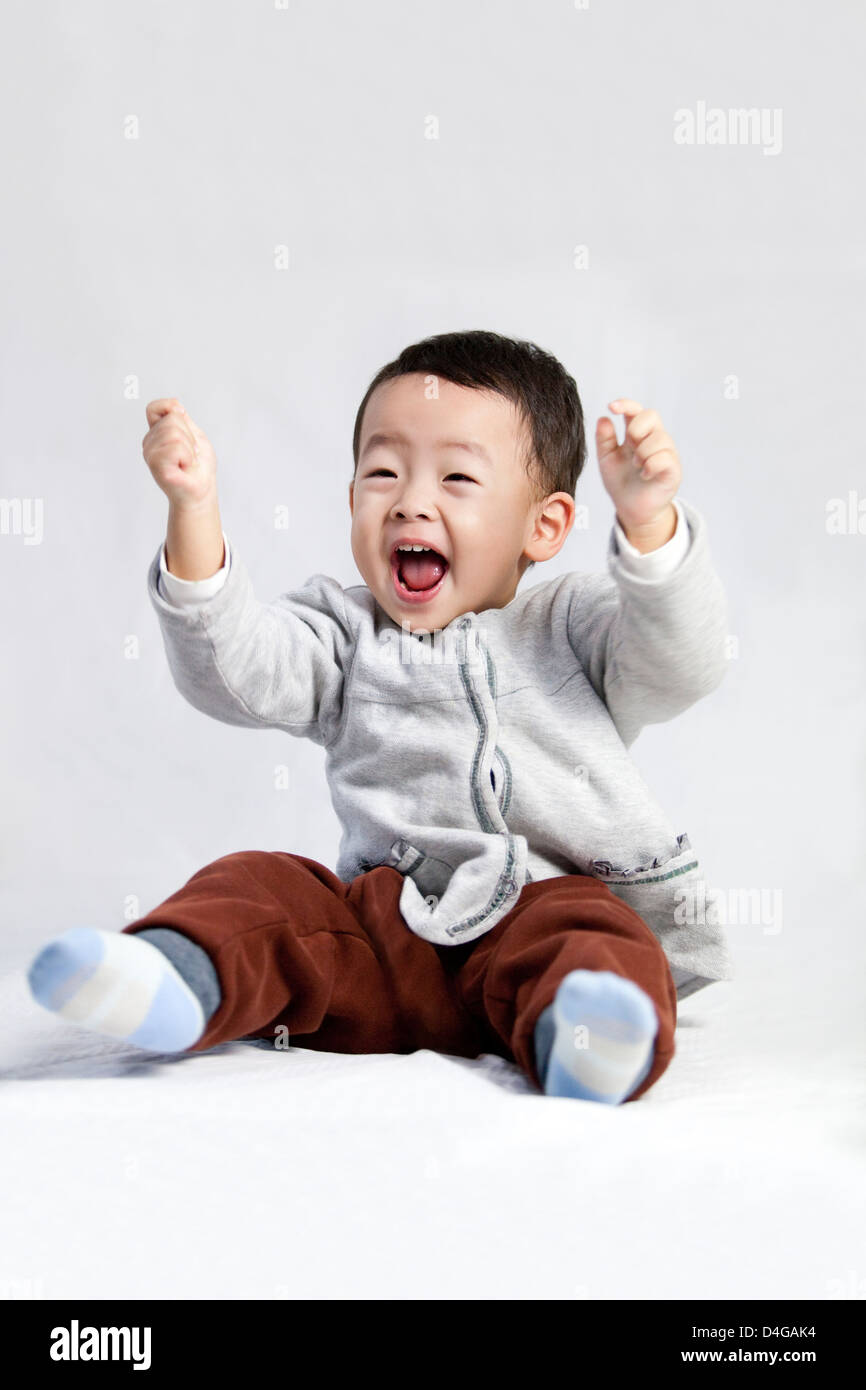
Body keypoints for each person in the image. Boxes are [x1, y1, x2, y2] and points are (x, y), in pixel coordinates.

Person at [27, 330, 732, 1104]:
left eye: (458, 476)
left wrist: (651, 533)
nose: (410, 501)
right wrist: (193, 513)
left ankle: (587, 1034)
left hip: (538, 918)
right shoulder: (341, 630)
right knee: (261, 885)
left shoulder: (573, 627)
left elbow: (681, 666)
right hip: (382, 943)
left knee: (594, 929)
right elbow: (235, 675)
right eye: (383, 471)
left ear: (545, 526)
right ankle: (175, 978)